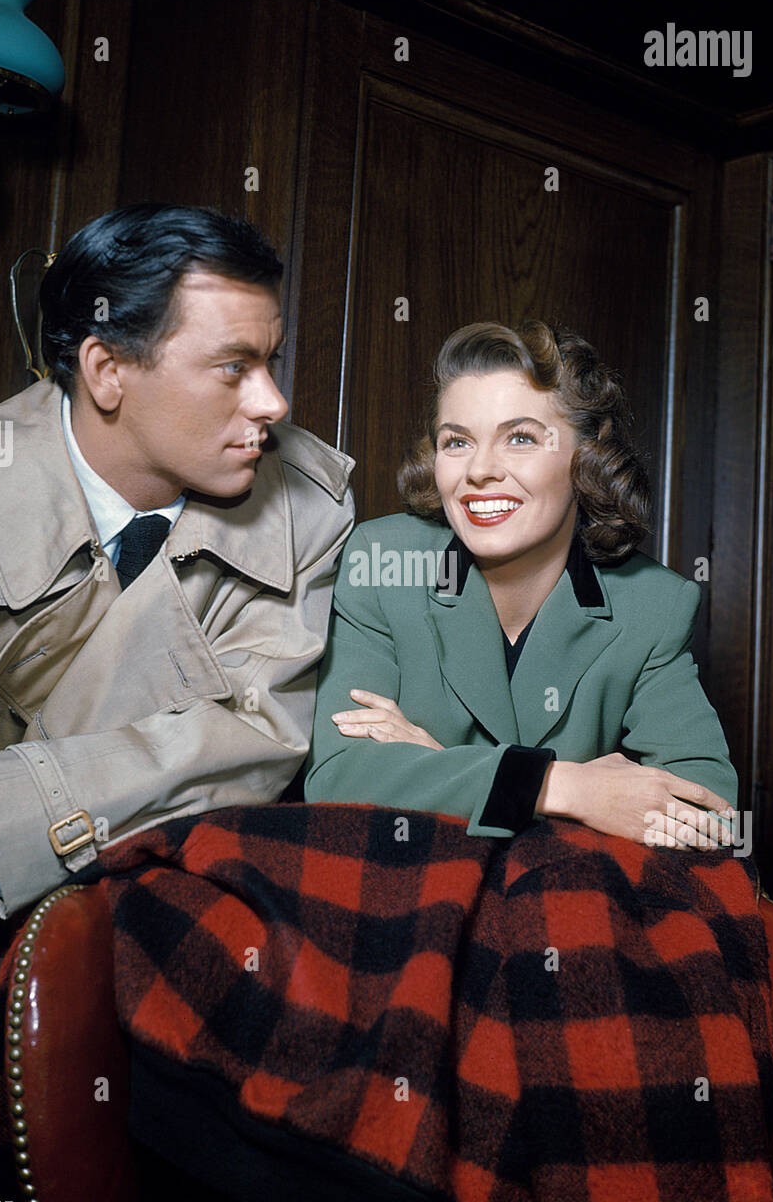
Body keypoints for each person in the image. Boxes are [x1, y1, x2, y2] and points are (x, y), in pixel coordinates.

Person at [0, 204, 354, 1202]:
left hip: (148, 973)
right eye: (234, 367)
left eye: (272, 360)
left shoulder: (310, 510)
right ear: (106, 370)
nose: (274, 400)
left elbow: (256, 741)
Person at [304, 319, 736, 847]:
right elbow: (340, 778)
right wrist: (565, 787)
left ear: (588, 460)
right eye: (457, 441)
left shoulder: (653, 605)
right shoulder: (380, 562)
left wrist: (434, 767)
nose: (481, 470)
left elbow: (707, 812)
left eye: (521, 438)